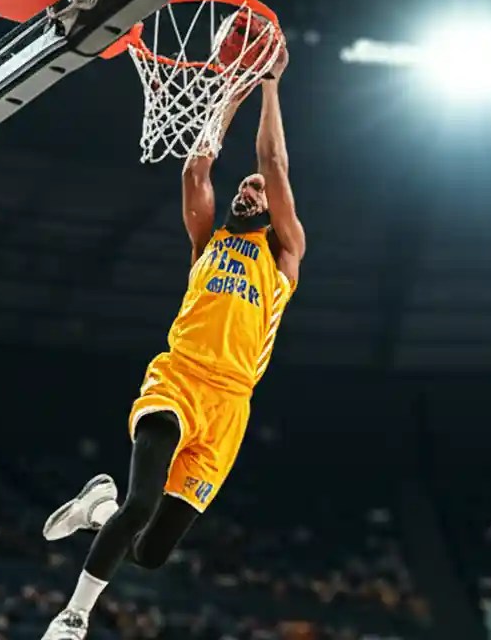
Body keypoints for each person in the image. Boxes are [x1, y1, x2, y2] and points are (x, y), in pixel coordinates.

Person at [38, 48, 304, 639]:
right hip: (178, 380)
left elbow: (274, 162)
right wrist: (234, 87)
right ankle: (74, 615)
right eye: (246, 187)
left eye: (260, 193)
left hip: (230, 407)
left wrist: (270, 86)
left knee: (152, 552)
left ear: (273, 212)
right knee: (139, 505)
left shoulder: (283, 257)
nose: (252, 189)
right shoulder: (207, 240)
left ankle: (94, 509)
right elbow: (196, 170)